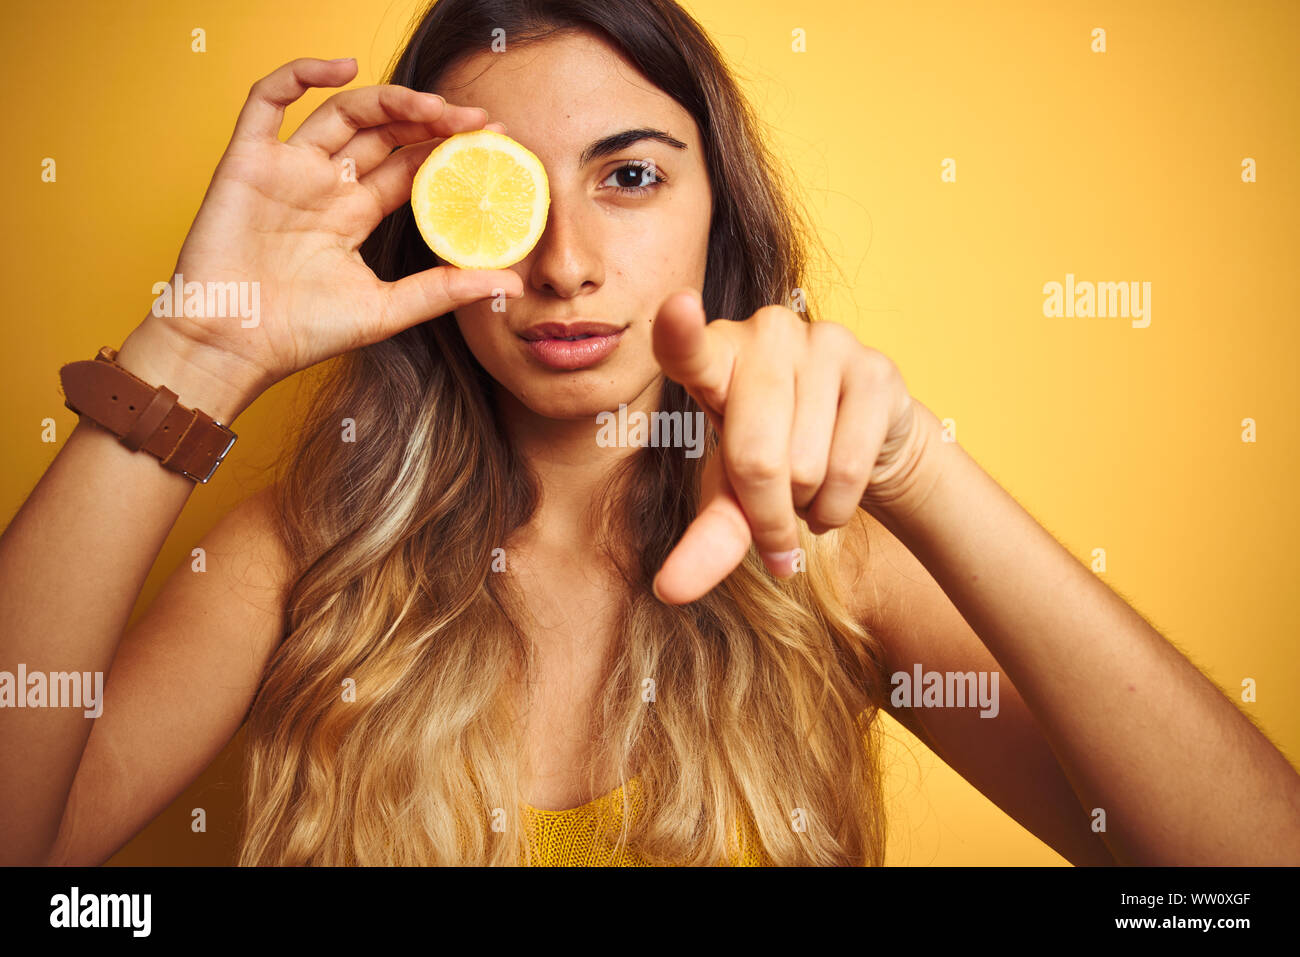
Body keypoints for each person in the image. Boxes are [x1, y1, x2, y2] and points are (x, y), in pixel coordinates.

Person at [2, 0, 1298, 867]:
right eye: (502, 192)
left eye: (629, 175)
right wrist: (197, 348)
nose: (565, 264)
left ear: (714, 212)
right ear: (422, 232)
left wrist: (916, 466)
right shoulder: (299, 560)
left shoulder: (831, 554)